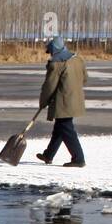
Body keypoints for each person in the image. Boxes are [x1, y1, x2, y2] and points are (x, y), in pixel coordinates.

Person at [37, 35, 87, 168]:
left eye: (51, 51)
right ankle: (49, 154)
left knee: (66, 128)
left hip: (64, 101)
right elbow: (85, 78)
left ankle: (78, 158)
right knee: (60, 127)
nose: (50, 54)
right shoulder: (77, 59)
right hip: (75, 98)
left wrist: (43, 102)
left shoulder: (56, 64)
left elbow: (49, 86)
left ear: (54, 50)